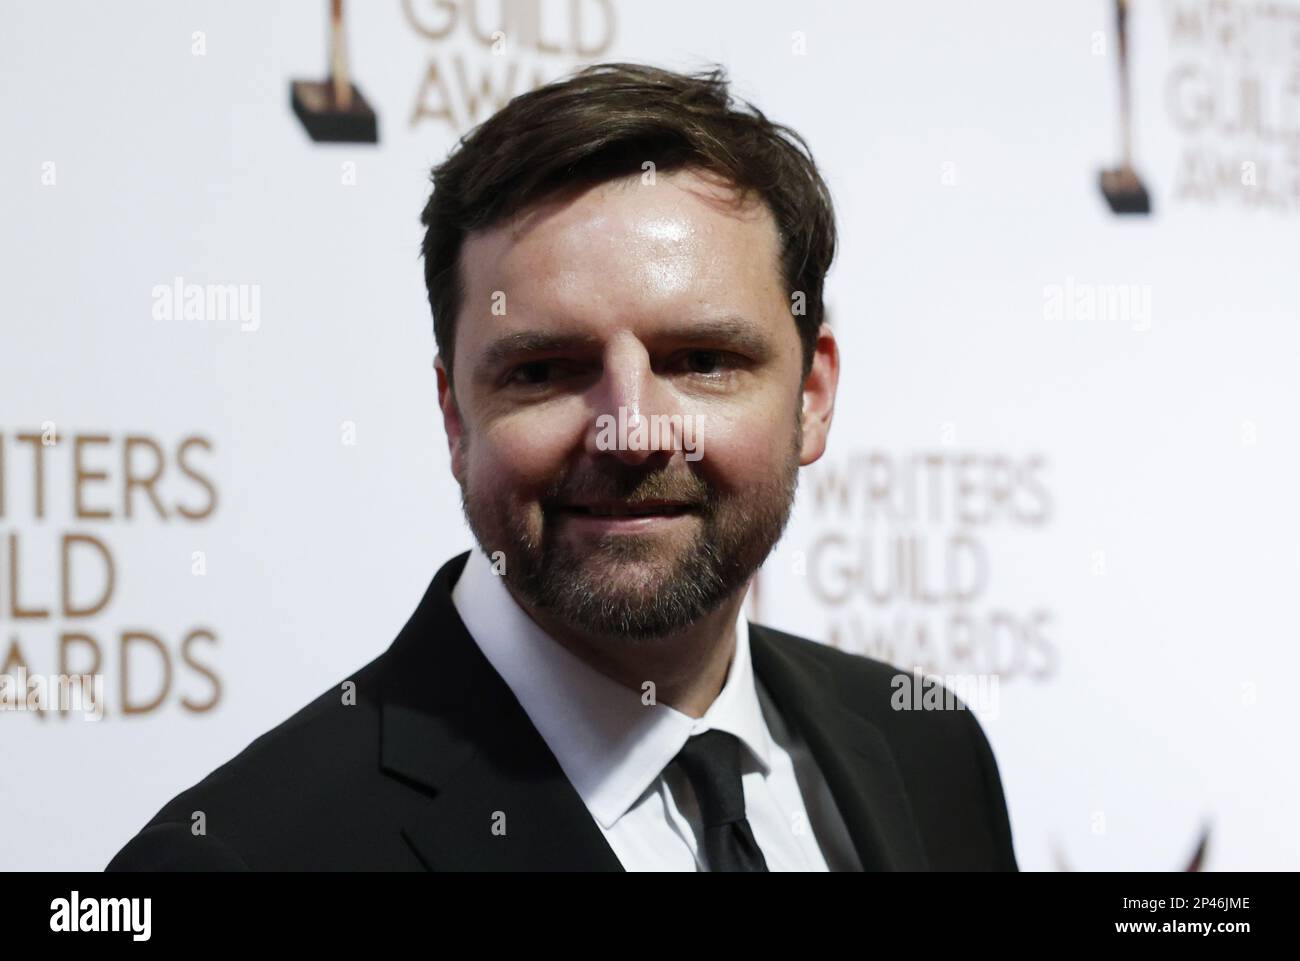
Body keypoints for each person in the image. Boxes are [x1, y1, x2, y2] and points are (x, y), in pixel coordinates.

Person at [107, 61, 1017, 872]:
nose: (630, 432)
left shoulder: (925, 746)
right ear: (454, 414)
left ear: (811, 395)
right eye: (544, 371)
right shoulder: (239, 857)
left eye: (702, 360)